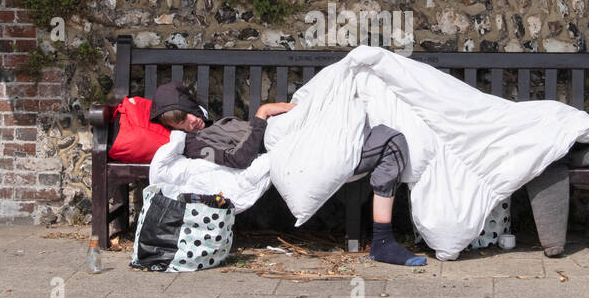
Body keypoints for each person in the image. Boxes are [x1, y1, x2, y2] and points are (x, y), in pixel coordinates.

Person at [150, 81, 427, 266]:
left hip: (292, 133)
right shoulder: (196, 144)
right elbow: (239, 158)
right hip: (288, 145)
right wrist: (262, 113)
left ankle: (384, 239)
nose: (191, 123)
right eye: (181, 124)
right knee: (391, 140)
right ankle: (382, 241)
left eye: (187, 114)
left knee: (374, 115)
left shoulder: (213, 126)